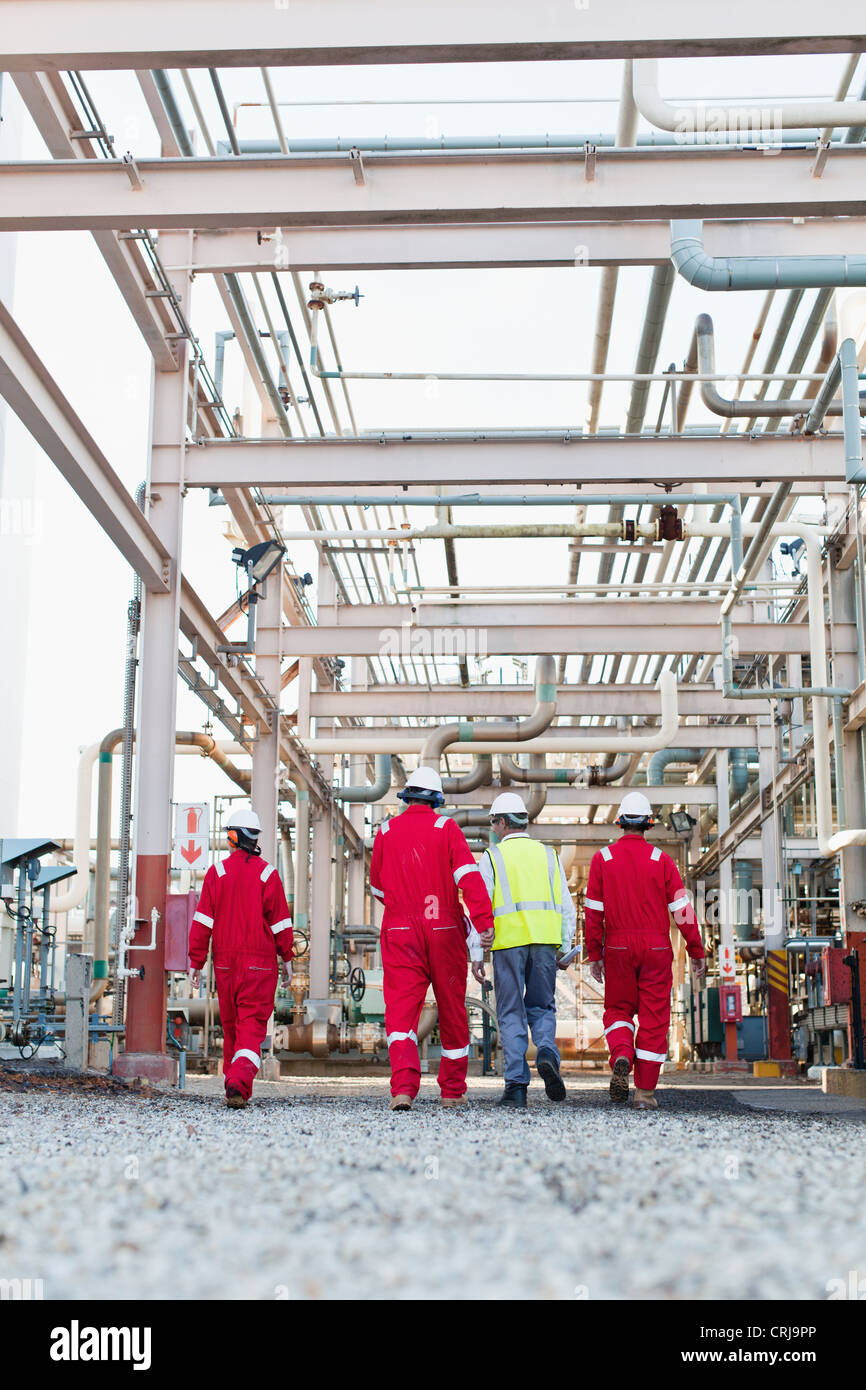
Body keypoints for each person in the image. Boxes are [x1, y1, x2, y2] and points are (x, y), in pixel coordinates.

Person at [370, 766, 495, 1112]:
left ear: (407, 796)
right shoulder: (446, 828)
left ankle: (403, 1090)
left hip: (399, 931)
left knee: (400, 1014)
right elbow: (468, 877)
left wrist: (402, 908)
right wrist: (483, 921)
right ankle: (452, 1092)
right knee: (452, 1010)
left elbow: (377, 887)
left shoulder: (385, 831)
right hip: (443, 929)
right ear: (437, 799)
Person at [584, 791, 706, 1111]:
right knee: (654, 1019)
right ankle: (645, 1094)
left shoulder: (603, 859)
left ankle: (622, 1052)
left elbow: (593, 913)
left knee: (618, 1009)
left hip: (618, 946)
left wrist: (594, 954)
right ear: (649, 824)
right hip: (656, 947)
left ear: (621, 822)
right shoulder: (661, 861)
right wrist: (697, 950)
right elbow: (682, 910)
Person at [188, 805, 293, 1109]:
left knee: (233, 1028)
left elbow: (202, 922)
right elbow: (280, 923)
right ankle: (238, 1082)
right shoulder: (268, 874)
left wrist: (196, 962)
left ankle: (234, 1088)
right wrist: (287, 958)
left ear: (233, 837)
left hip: (225, 964)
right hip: (259, 964)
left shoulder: (216, 873)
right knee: (251, 1028)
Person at [478, 792, 577, 1109]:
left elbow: (481, 908)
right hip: (546, 944)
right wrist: (565, 946)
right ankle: (547, 1050)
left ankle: (517, 1087)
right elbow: (566, 906)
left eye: (493, 822)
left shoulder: (492, 857)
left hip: (508, 945)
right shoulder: (549, 855)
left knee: (510, 1013)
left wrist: (476, 954)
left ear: (503, 822)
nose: (493, 828)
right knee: (543, 1007)